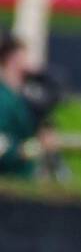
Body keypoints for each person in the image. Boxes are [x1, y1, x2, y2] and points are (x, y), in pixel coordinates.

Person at [0, 33, 42, 177]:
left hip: (23, 177)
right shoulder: (3, 98)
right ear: (14, 59)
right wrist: (35, 148)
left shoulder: (21, 96)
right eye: (26, 55)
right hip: (8, 179)